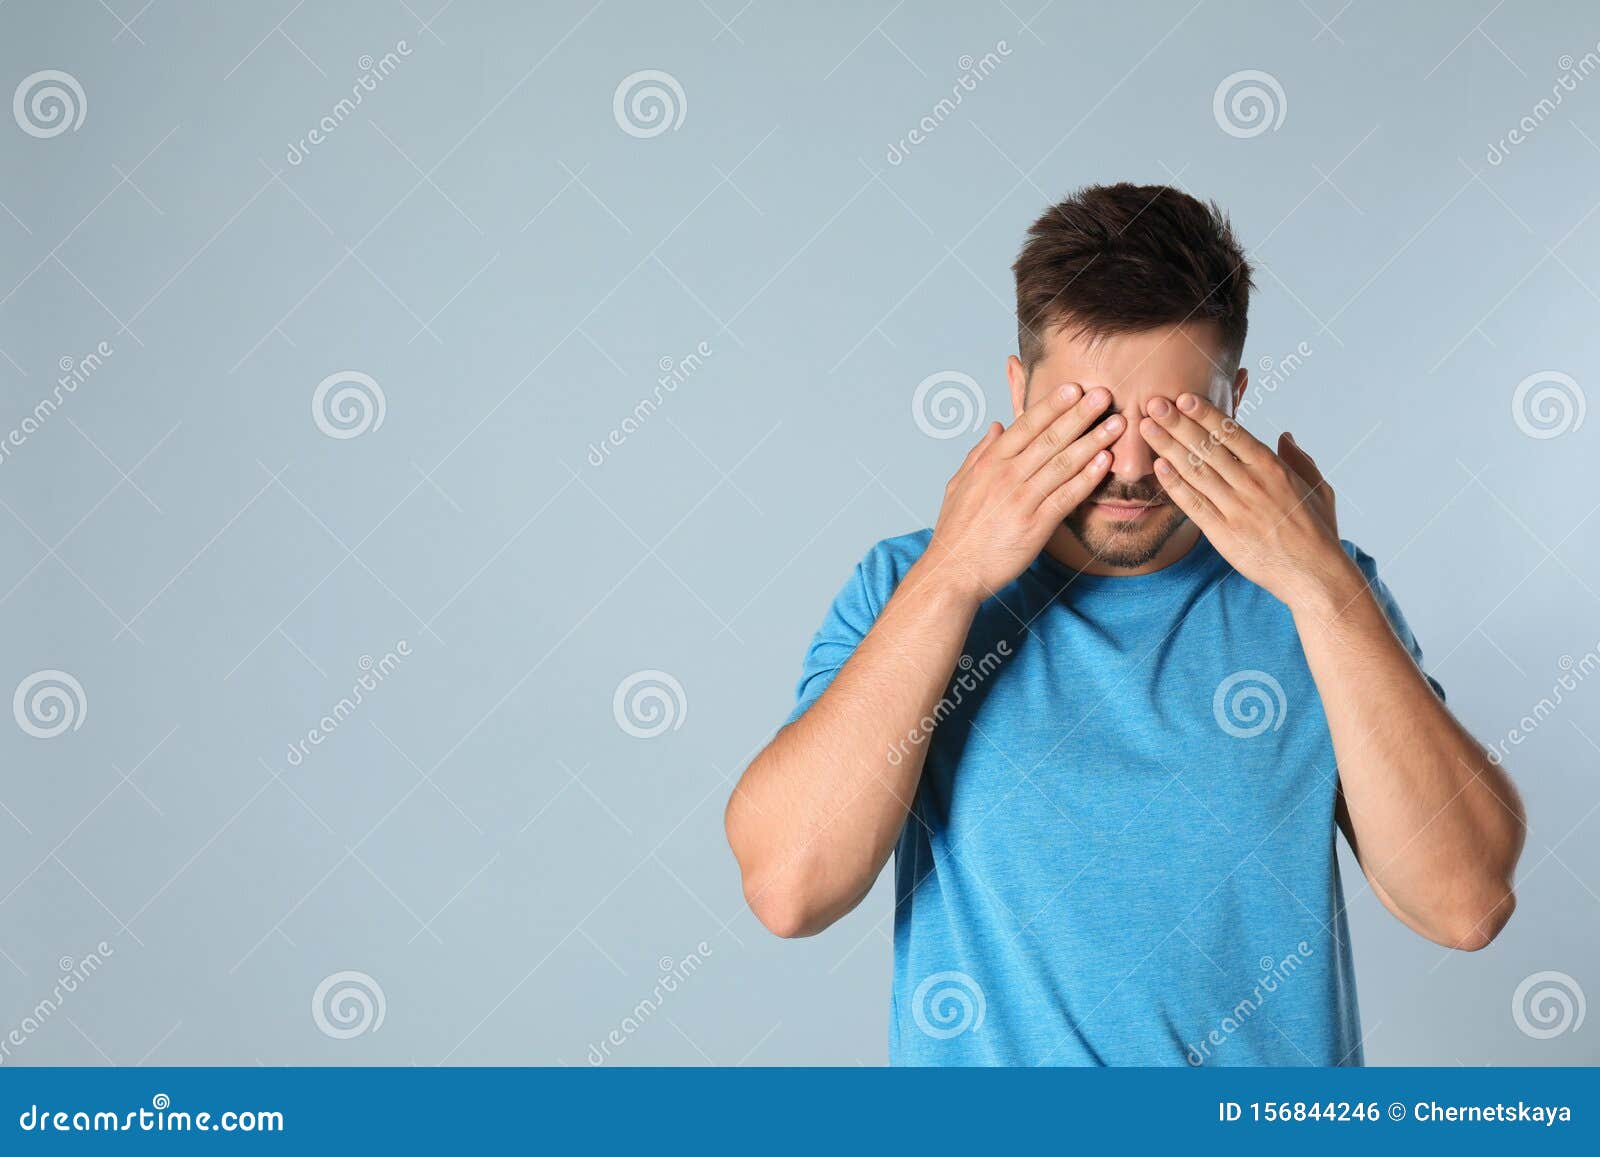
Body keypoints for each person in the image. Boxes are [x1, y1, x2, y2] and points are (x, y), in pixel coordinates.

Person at [723, 183, 1525, 1066]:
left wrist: (1325, 588)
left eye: (1176, 420)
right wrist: (953, 575)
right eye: (1091, 418)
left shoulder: (1317, 594)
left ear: (1237, 399)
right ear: (1019, 391)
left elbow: (1465, 902)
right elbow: (790, 888)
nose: (1132, 467)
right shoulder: (907, 584)